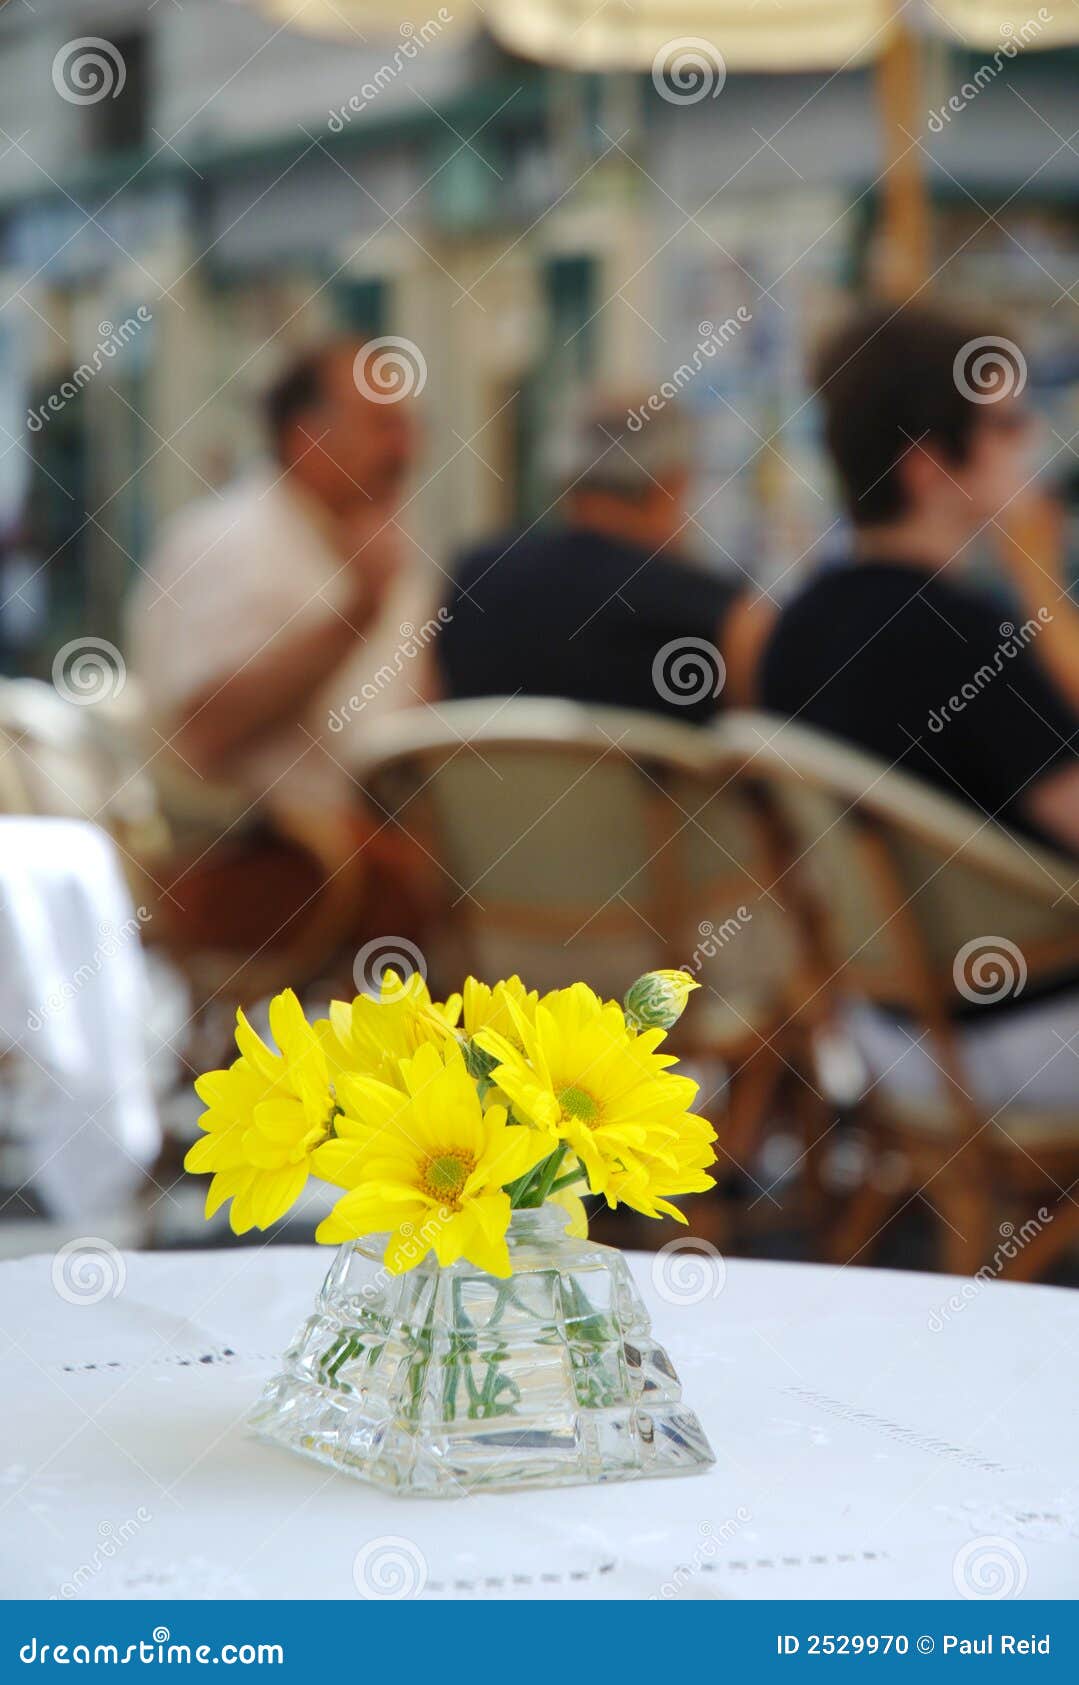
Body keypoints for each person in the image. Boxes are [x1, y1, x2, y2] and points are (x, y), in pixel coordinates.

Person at [761, 299, 1079, 1110]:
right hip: (1023, 1033)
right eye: (1007, 426)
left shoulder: (795, 628)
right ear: (930, 468)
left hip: (886, 1036)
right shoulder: (961, 636)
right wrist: (1039, 579)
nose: (1031, 447)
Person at [127, 338, 435, 956]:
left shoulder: (382, 541)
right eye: (382, 425)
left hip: (361, 845)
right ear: (308, 438)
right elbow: (205, 731)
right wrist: (354, 622)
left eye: (407, 425)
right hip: (252, 856)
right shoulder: (227, 542)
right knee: (457, 892)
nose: (404, 449)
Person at [437, 400, 771, 720]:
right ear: (673, 483)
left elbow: (419, 731)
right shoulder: (727, 619)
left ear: (567, 482)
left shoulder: (473, 581)